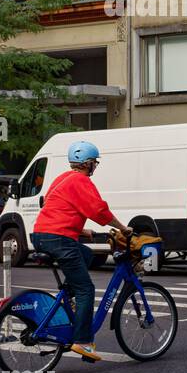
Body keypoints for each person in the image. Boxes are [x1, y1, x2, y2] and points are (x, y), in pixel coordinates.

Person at [31, 141, 134, 361]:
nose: (95, 166)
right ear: (87, 163)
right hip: (59, 239)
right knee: (86, 288)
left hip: (41, 235)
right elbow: (99, 210)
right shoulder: (81, 180)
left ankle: (70, 296)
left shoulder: (62, 178)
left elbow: (58, 207)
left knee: (86, 254)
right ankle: (83, 342)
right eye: (94, 162)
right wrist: (122, 227)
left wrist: (80, 229)